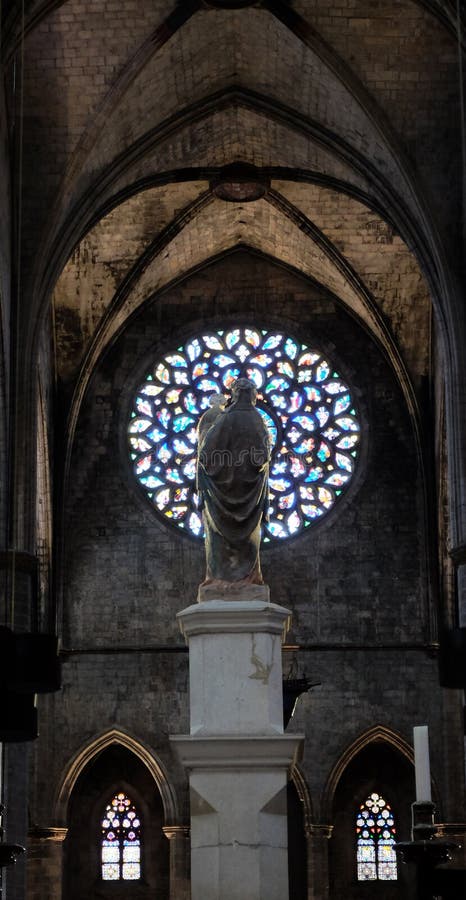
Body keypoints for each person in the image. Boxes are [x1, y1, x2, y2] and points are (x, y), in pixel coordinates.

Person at [196, 378, 270, 585]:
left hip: (221, 493)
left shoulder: (225, 418)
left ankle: (219, 579)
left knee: (218, 538)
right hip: (250, 494)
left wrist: (220, 471)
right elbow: (263, 455)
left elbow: (206, 453)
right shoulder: (256, 419)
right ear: (251, 395)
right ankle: (250, 579)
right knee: (251, 537)